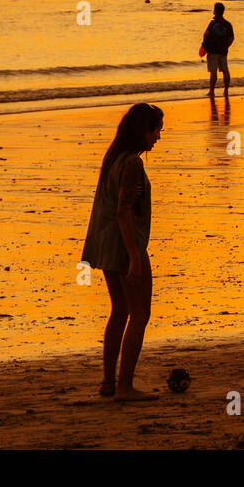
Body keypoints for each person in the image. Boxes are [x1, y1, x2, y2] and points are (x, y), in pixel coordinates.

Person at [80, 103, 163, 401]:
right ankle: (125, 386)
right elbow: (123, 212)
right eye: (156, 131)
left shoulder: (113, 157)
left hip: (105, 242)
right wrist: (135, 257)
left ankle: (108, 382)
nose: (157, 138)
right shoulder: (132, 164)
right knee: (140, 314)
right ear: (143, 130)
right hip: (124, 245)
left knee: (120, 311)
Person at [201, 2, 235, 98]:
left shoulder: (213, 23)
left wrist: (204, 46)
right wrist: (227, 46)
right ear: (223, 12)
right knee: (225, 70)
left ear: (215, 11)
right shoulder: (228, 24)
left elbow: (206, 34)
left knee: (213, 72)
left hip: (212, 51)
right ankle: (226, 90)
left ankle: (212, 91)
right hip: (223, 51)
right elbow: (232, 38)